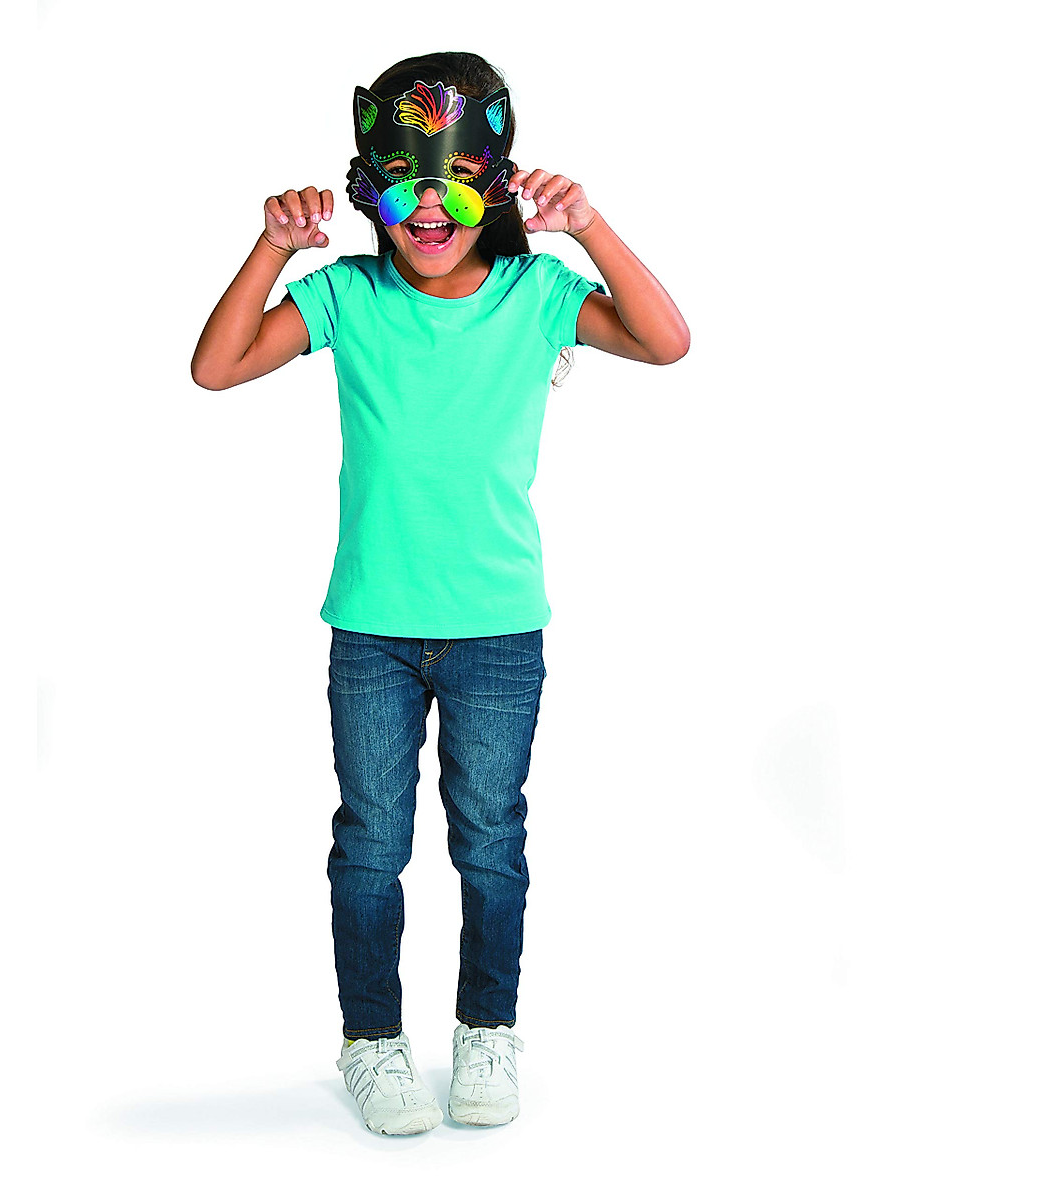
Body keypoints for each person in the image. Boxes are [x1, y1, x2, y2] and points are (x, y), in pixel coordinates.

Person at [190, 51, 690, 1136]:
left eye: (457, 181)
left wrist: (588, 226)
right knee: (371, 844)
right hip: (372, 629)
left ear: (497, 186)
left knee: (490, 843)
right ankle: (371, 1039)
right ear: (370, 186)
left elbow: (667, 341)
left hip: (498, 630)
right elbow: (217, 367)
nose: (429, 207)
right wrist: (272, 248)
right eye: (404, 183)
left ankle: (486, 1030)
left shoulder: (538, 295)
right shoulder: (347, 295)